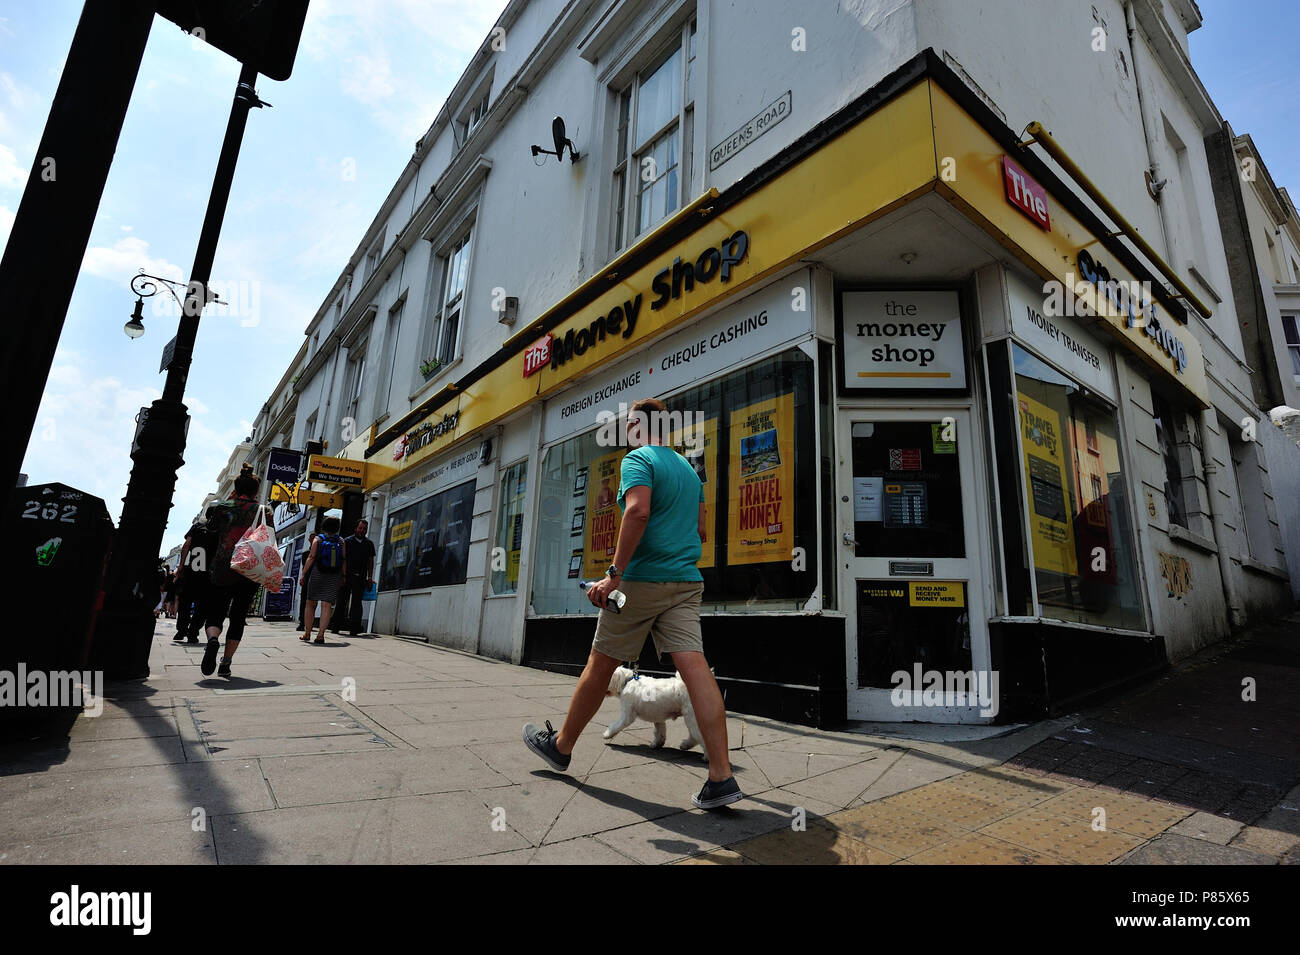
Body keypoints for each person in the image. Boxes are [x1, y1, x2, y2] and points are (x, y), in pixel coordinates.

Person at [523, 397, 743, 810]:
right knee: (694, 668)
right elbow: (700, 530)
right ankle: (721, 776)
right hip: (685, 581)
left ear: (638, 427)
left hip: (640, 582)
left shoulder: (638, 459)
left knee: (601, 662)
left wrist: (614, 574)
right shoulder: (688, 470)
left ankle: (561, 746)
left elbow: (637, 512)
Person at [200, 465, 265, 679]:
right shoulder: (263, 511)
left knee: (216, 611)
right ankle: (226, 663)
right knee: (238, 617)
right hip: (248, 568)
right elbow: (267, 538)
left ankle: (212, 639)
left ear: (236, 487)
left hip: (222, 566)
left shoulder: (223, 507)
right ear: (257, 490)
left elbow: (209, 531)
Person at [173, 507, 217, 644]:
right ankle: (193, 632)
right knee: (203, 604)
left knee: (185, 601)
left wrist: (180, 566)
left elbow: (186, 545)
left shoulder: (197, 527)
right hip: (209, 572)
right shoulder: (220, 530)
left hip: (194, 567)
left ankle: (181, 630)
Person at [301, 516, 346, 645]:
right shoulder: (341, 541)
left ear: (324, 526)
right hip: (334, 575)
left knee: (310, 603)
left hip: (318, 573)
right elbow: (343, 559)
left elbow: (312, 556)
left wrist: (304, 574)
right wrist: (343, 576)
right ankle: (320, 635)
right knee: (326, 605)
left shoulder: (318, 539)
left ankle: (307, 633)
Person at [332, 519, 375, 636]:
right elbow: (341, 559)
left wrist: (370, 577)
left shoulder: (369, 544)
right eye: (360, 528)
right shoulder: (346, 541)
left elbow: (371, 562)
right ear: (355, 528)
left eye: (364, 529)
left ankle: (354, 628)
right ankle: (335, 626)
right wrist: (341, 575)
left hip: (360, 577)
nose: (362, 531)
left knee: (357, 603)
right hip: (346, 576)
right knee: (341, 601)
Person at [296, 531, 319, 631]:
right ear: (309, 540)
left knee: (314, 602)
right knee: (304, 601)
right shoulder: (305, 554)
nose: (313, 540)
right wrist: (303, 577)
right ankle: (302, 622)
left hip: (317, 579)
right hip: (307, 579)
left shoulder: (320, 554)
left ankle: (310, 622)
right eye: (311, 538)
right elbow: (303, 567)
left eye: (315, 538)